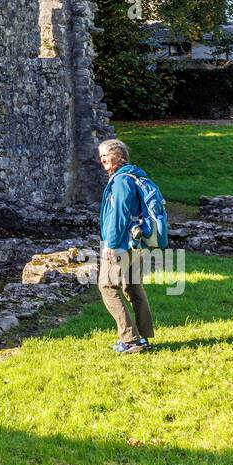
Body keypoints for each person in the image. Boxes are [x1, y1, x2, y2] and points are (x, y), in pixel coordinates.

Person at [97, 138, 155, 355]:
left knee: (107, 286)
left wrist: (111, 243)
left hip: (121, 243)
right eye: (100, 155)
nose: (102, 159)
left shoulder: (121, 180)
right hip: (135, 240)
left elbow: (119, 214)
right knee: (132, 286)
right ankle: (144, 337)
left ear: (119, 156)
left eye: (106, 154)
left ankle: (130, 340)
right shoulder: (135, 175)